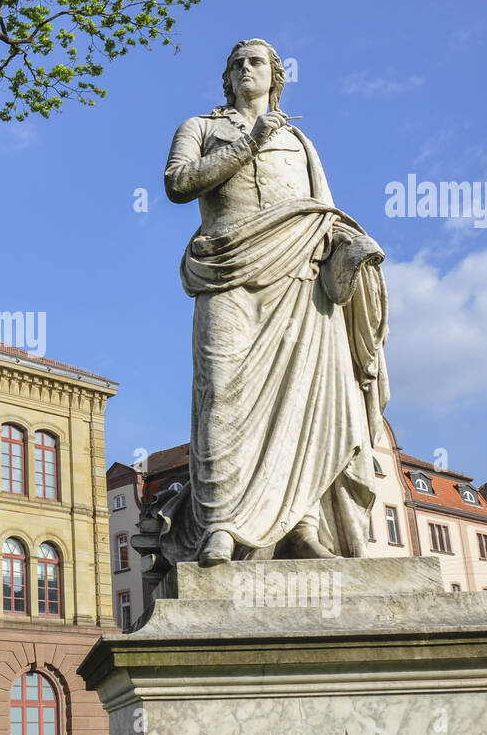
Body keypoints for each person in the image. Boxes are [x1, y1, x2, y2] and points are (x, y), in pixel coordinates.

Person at [158, 38, 390, 566]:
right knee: (221, 391)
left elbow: (322, 213)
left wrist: (349, 246)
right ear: (226, 78)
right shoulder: (200, 127)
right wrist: (247, 143)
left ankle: (303, 529)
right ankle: (220, 525)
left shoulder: (301, 141)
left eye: (256, 62)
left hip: (299, 275)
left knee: (302, 400)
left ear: (275, 76)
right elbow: (176, 184)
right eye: (236, 63)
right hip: (227, 269)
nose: (245, 69)